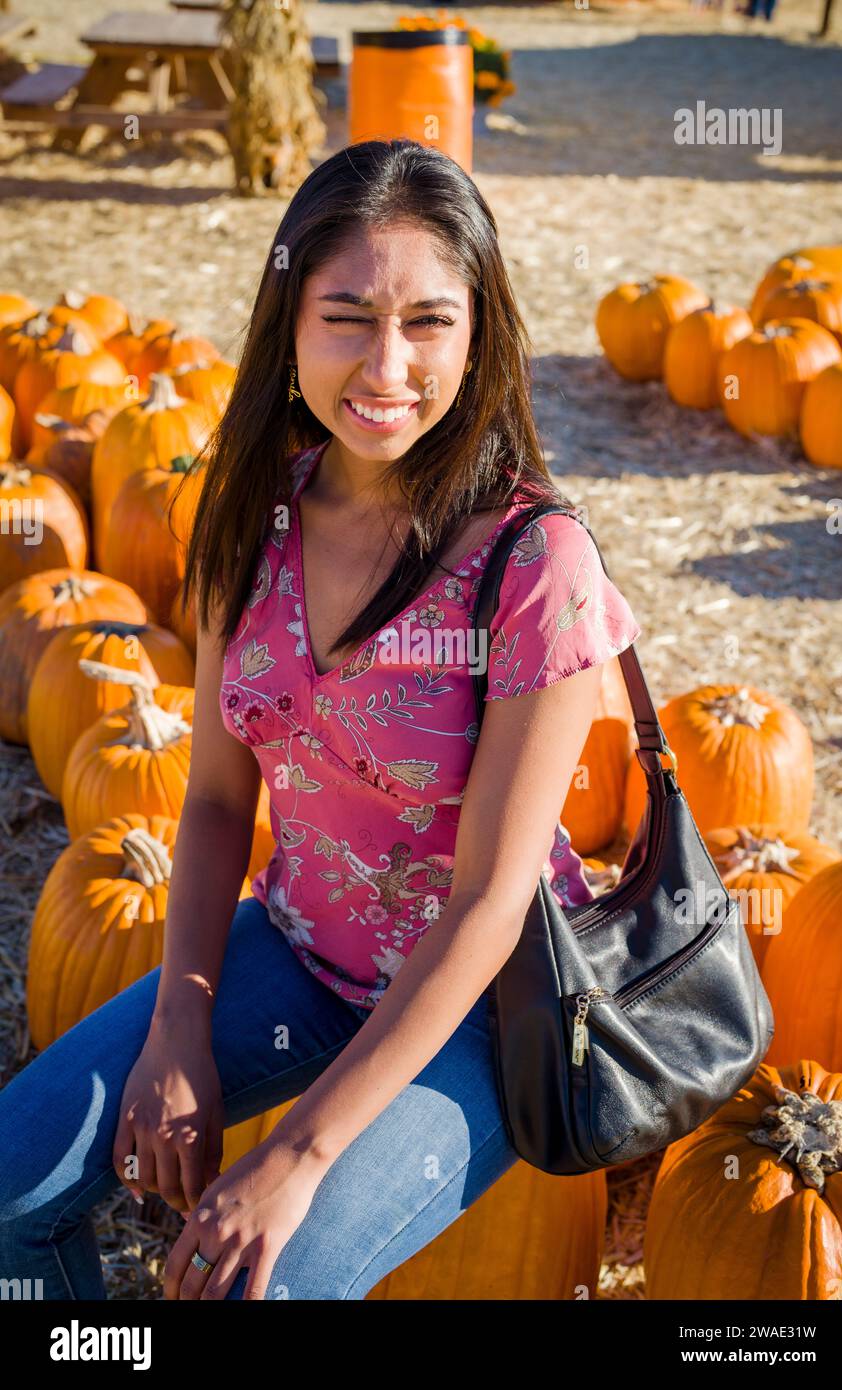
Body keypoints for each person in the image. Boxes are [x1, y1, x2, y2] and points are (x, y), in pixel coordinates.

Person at [0, 139, 642, 1301]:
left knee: (266, 1284)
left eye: (428, 323)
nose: (386, 362)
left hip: (485, 1013)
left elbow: (492, 902)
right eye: (346, 316)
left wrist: (296, 1153)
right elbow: (207, 799)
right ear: (287, 326)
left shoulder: (535, 562)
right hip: (301, 951)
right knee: (10, 1180)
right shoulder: (252, 522)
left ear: (478, 335)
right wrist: (178, 1025)